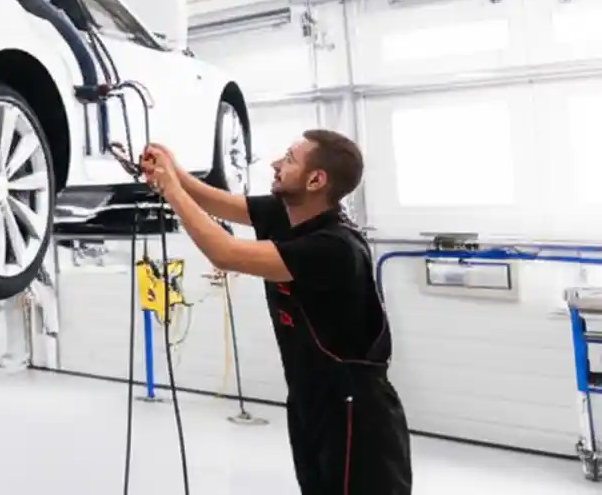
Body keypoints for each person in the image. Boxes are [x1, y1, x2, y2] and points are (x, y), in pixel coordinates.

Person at [139, 129, 412, 495]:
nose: (275, 163)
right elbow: (219, 203)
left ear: (316, 180)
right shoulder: (290, 212)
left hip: (355, 416)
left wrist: (171, 189)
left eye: (289, 159)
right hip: (308, 402)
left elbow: (225, 252)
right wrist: (173, 170)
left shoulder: (335, 248)